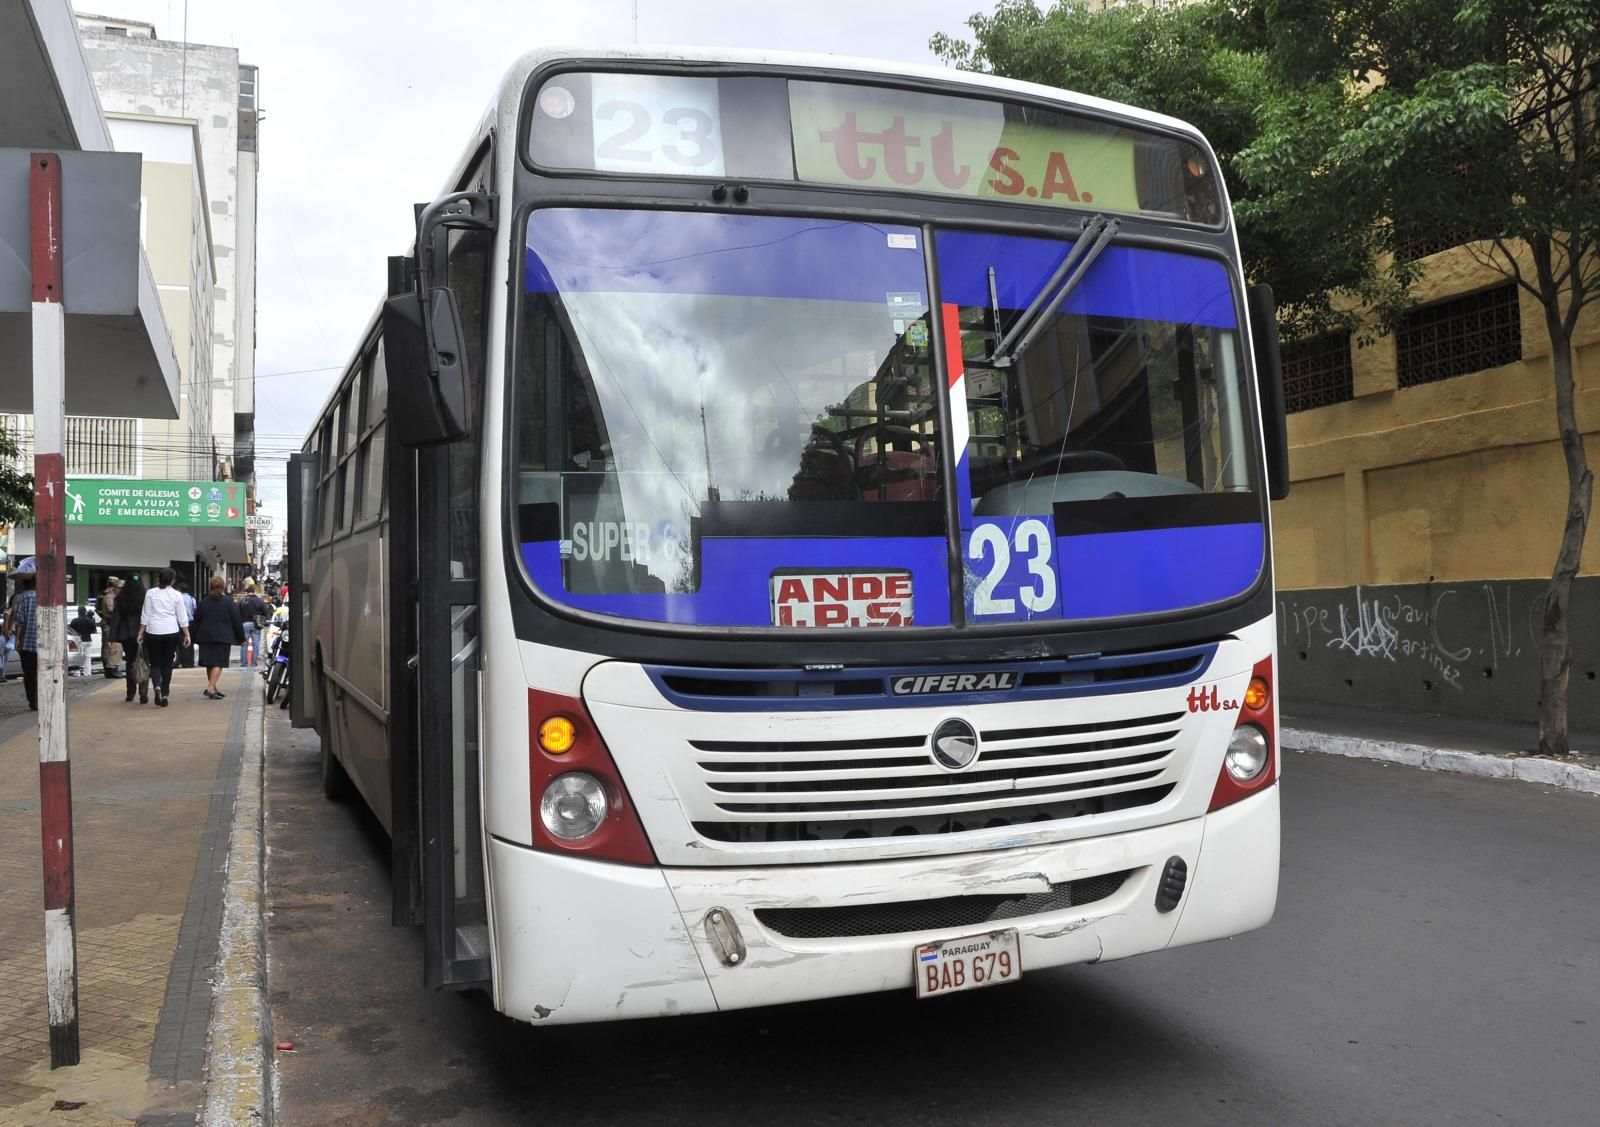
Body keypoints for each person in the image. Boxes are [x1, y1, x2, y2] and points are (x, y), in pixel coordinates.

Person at [137, 567, 190, 707]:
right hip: (171, 630)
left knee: (155, 663)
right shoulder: (176, 595)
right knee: (167, 664)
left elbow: (145, 614)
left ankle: (157, 687)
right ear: (172, 580)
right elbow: (182, 616)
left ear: (158, 579)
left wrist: (140, 632)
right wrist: (186, 633)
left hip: (153, 631)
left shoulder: (150, 593)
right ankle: (165, 692)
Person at [192, 575, 244, 699]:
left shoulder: (204, 601)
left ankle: (213, 687)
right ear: (223, 587)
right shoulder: (228, 602)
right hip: (223, 636)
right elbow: (236, 620)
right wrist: (241, 638)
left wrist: (194, 636)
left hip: (205, 636)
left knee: (210, 663)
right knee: (218, 663)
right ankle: (210, 688)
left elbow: (197, 619)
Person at [6, 559, 39, 711]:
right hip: (43, 643)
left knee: (29, 674)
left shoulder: (23, 598)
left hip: (27, 643)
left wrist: (18, 639)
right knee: (43, 672)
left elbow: (20, 621)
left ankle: (32, 700)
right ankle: (42, 697)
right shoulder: (44, 596)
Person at [114, 574, 147, 703]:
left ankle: (130, 692)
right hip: (143, 632)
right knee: (144, 661)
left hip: (126, 633)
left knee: (130, 663)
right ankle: (143, 690)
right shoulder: (145, 597)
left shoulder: (121, 597)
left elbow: (116, 617)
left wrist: (112, 637)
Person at [238, 583, 269, 668]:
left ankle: (243, 662)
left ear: (247, 592)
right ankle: (254, 662)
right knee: (256, 644)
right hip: (257, 624)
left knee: (244, 643)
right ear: (254, 591)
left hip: (245, 624)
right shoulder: (259, 601)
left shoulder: (242, 601)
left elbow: (237, 613)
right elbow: (266, 612)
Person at [100, 577, 124, 678]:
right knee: (112, 647)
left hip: (114, 625)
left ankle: (113, 668)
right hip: (110, 625)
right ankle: (111, 669)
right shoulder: (109, 597)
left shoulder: (115, 597)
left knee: (116, 647)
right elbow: (111, 611)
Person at [69, 603, 96, 677]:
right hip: (88, 640)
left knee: (80, 656)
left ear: (78, 612)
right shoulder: (90, 620)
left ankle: (77, 672)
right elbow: (94, 630)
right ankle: (87, 672)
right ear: (85, 612)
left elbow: (71, 631)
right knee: (88, 657)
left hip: (80, 640)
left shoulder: (75, 621)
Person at [176, 581, 198, 668]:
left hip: (181, 623)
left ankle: (183, 661)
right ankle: (190, 662)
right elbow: (195, 610)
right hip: (191, 623)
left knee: (181, 642)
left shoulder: (178, 598)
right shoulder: (192, 599)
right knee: (190, 643)